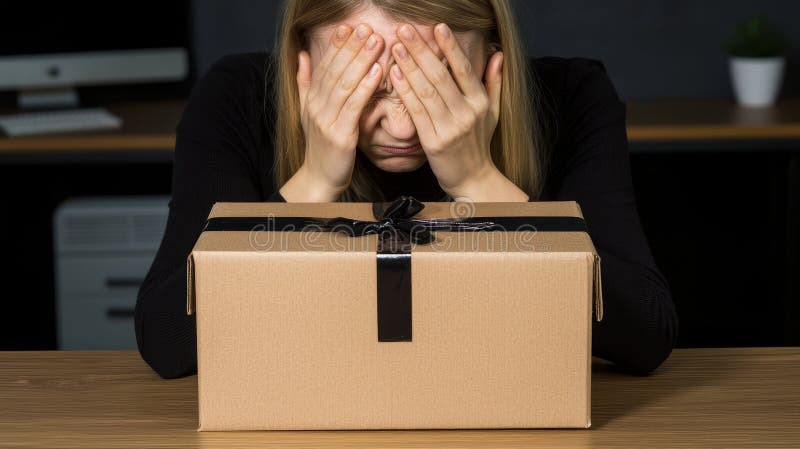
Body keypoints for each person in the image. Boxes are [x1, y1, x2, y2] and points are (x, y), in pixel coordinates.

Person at [135, 0, 678, 379]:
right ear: (302, 63)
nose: (400, 128)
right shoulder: (236, 97)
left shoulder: (575, 96)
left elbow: (646, 333)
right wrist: (315, 185)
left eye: (435, 83)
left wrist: (477, 181)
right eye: (362, 86)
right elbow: (168, 340)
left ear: (493, 55)